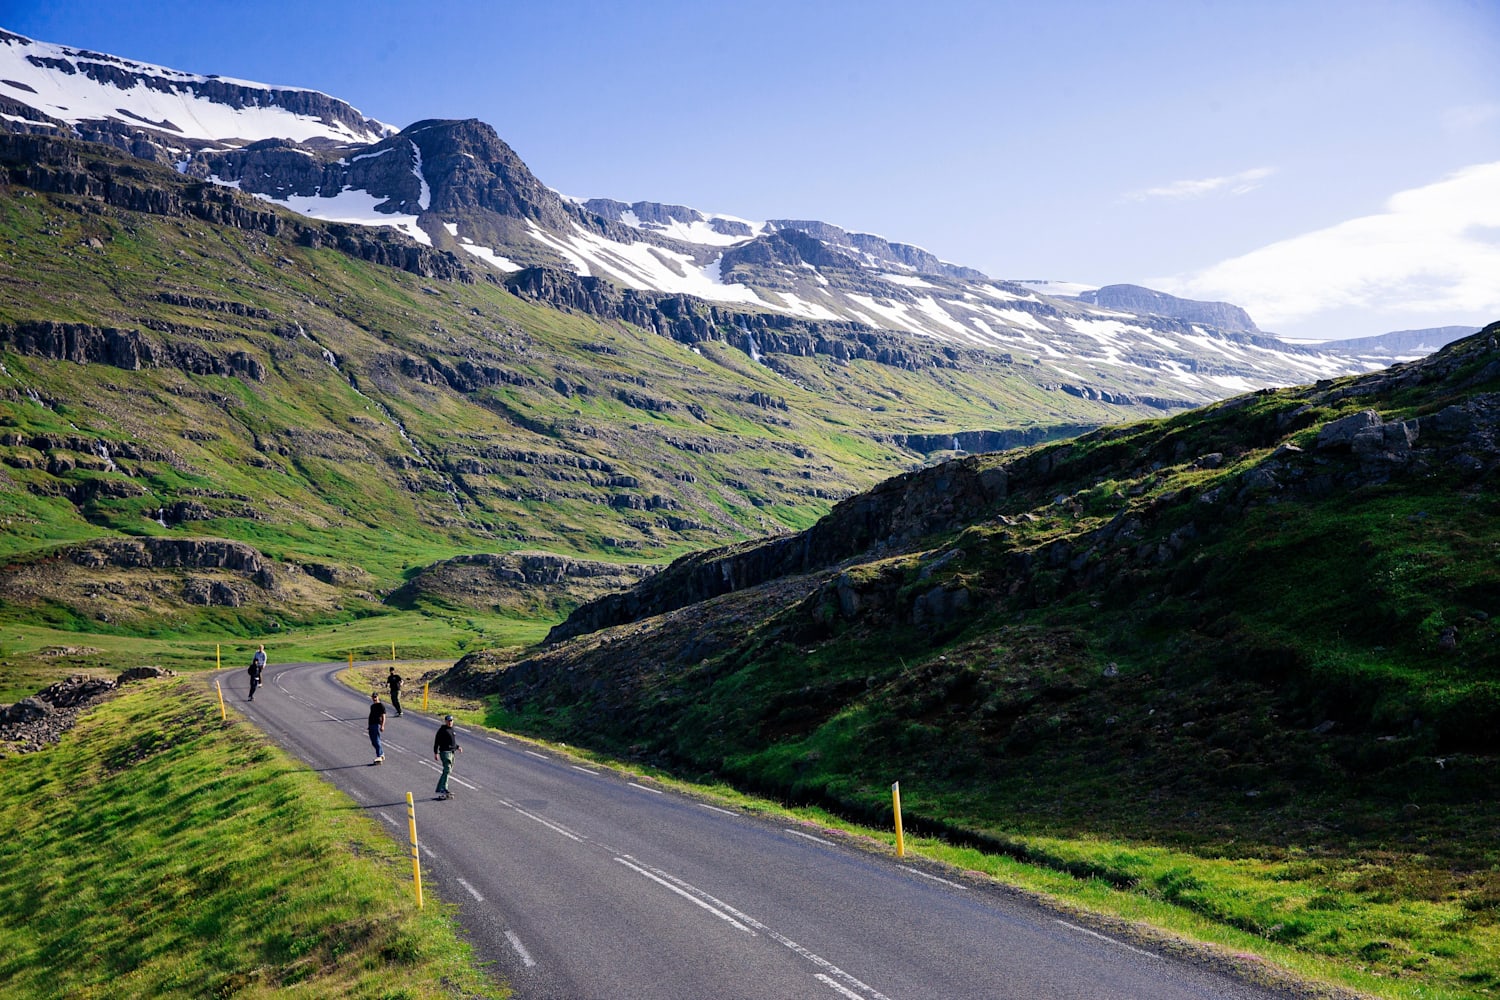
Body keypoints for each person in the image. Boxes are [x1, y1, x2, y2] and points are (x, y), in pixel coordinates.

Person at [433, 714, 462, 799]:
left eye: (451, 721)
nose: (450, 722)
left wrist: (457, 747)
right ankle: (443, 788)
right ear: (445, 721)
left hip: (452, 752)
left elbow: (452, 742)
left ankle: (441, 788)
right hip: (445, 752)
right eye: (448, 721)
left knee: (448, 771)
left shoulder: (452, 730)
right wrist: (436, 753)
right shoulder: (442, 730)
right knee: (447, 769)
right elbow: (437, 742)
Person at [368, 691, 387, 764]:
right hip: (371, 725)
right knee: (373, 742)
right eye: (373, 697)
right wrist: (369, 726)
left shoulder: (380, 705)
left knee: (376, 740)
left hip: (376, 724)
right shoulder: (372, 706)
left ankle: (379, 756)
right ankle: (382, 754)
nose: (374, 698)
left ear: (378, 697)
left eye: (375, 697)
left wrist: (382, 725)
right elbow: (371, 716)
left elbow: (383, 716)